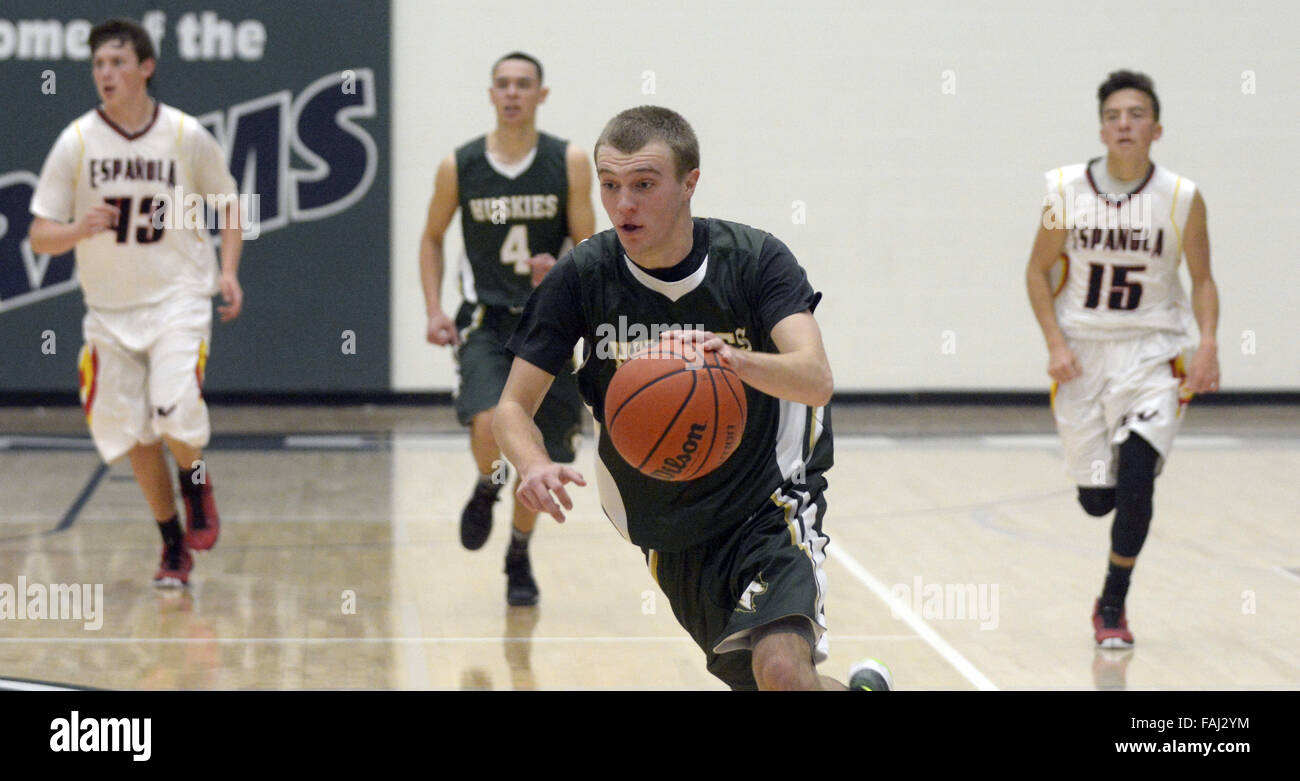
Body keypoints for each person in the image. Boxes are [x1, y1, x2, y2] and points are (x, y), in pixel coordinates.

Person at [492, 105, 892, 691]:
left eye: (644, 185)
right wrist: (531, 464)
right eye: (610, 185)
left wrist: (736, 361)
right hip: (665, 524)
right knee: (776, 685)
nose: (623, 204)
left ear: (690, 184)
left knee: (780, 669)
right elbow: (511, 408)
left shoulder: (754, 261)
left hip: (767, 501)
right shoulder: (583, 276)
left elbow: (815, 378)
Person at [28, 18, 246, 587]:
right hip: (108, 311)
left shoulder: (183, 134)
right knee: (135, 438)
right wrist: (78, 228)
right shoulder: (76, 140)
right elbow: (38, 235)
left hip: (179, 298)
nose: (107, 74)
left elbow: (230, 204)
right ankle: (173, 545)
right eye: (99, 65)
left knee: (174, 409)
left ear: (146, 68)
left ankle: (196, 485)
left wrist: (227, 272)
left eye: (118, 63)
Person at [1026, 70, 1220, 648]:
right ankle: (1113, 459)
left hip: (1154, 353)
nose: (1124, 124)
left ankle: (1112, 603)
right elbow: (1037, 271)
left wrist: (1207, 342)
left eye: (1136, 115)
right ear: (1102, 128)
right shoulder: (1065, 191)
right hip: (1084, 354)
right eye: (1113, 115)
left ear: (1155, 129)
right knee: (1096, 501)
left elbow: (1203, 280)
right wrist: (1055, 345)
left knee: (1137, 482)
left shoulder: (1182, 197)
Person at [418, 52, 595, 606]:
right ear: (490, 93)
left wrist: (561, 270)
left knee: (540, 457)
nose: (513, 93)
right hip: (488, 321)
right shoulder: (459, 165)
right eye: (503, 84)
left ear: (542, 95)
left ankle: (518, 550)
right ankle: (487, 483)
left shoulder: (568, 160)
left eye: (524, 85)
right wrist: (433, 309)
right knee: (491, 420)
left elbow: (588, 247)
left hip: (552, 326)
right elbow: (431, 237)